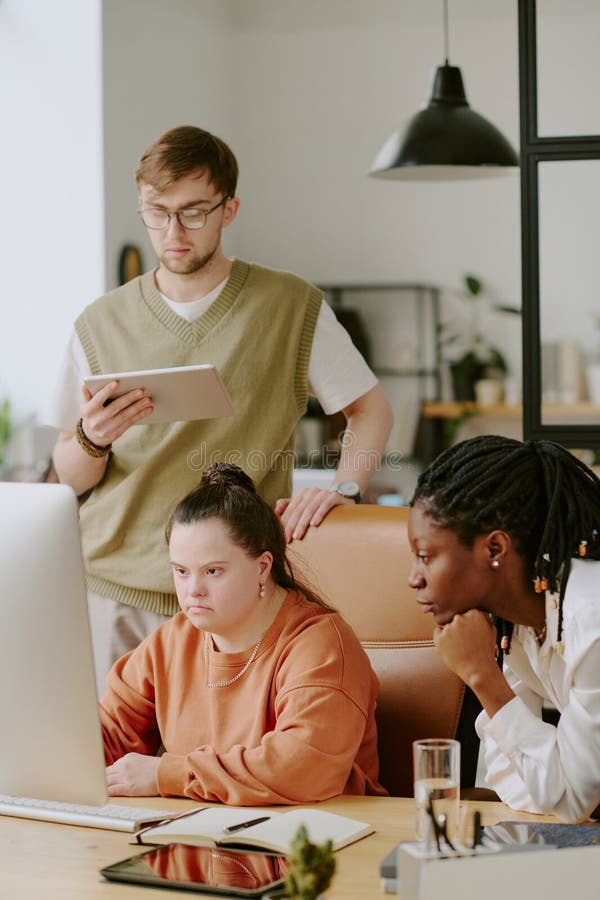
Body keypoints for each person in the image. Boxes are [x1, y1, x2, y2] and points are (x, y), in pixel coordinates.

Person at [44, 125, 393, 690]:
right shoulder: (97, 323)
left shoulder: (290, 306)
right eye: (157, 213)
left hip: (237, 592)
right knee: (109, 770)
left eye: (194, 212)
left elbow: (370, 410)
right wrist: (91, 437)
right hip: (115, 586)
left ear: (230, 209)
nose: (173, 231)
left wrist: (343, 489)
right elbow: (70, 471)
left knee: (217, 767)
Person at [100, 462, 387, 805]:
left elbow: (299, 768)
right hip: (207, 837)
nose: (194, 590)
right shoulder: (171, 641)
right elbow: (109, 736)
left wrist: (167, 774)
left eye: (213, 571)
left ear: (262, 567)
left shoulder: (320, 644)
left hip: (319, 842)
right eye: (181, 571)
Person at [407, 434, 600, 823]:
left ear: (494, 549)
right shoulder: (517, 621)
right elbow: (507, 782)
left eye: (426, 557)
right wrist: (554, 789)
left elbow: (576, 801)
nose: (413, 578)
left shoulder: (589, 618)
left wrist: (483, 676)